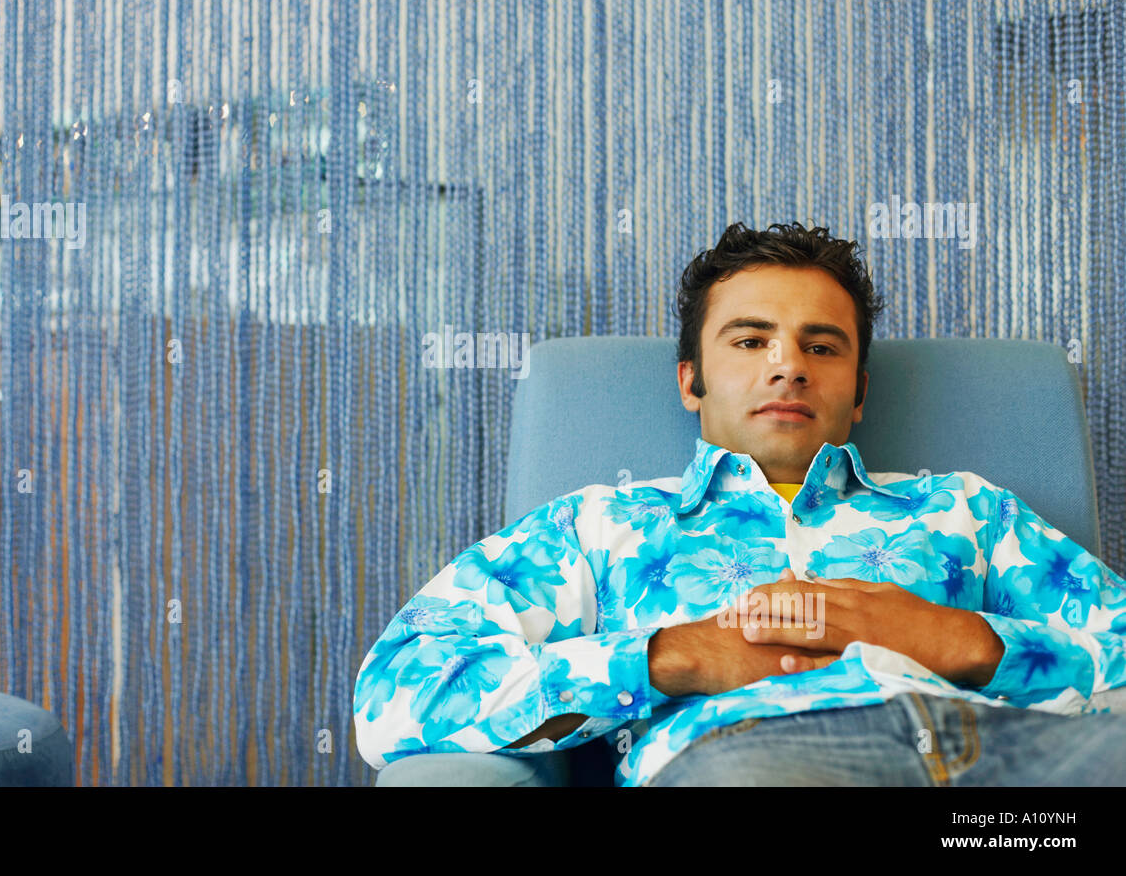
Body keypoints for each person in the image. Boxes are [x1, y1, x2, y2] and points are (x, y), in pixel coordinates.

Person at [353, 221, 1126, 786]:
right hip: (757, 760)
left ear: (858, 393)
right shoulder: (598, 528)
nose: (788, 367)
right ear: (691, 380)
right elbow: (397, 693)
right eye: (751, 341)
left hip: (1010, 772)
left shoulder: (969, 512)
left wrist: (963, 641)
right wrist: (669, 658)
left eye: (822, 347)